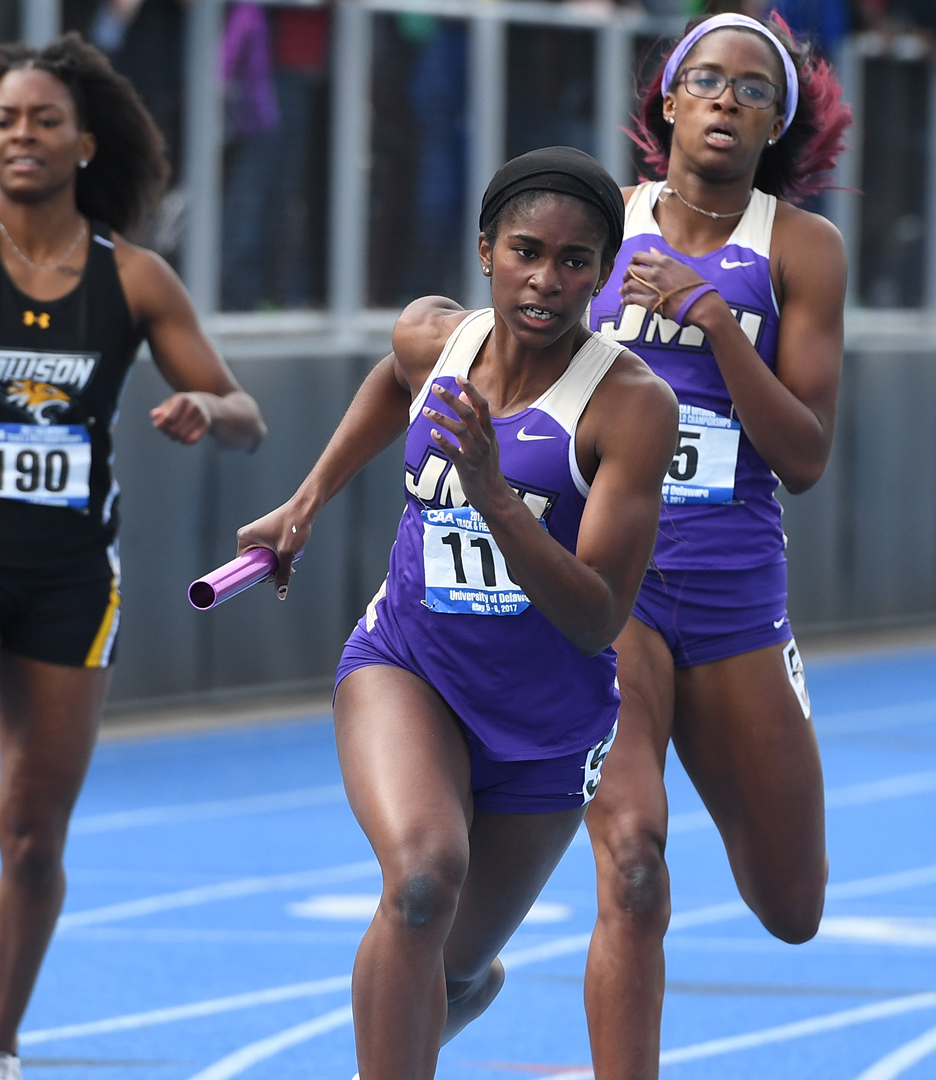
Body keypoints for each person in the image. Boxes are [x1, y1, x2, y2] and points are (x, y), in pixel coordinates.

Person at [233, 146, 675, 1079]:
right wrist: (306, 501)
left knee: (455, 972)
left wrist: (493, 492)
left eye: (575, 262)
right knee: (422, 882)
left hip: (547, 720)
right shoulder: (433, 340)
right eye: (526, 252)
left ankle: (449, 997)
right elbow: (393, 383)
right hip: (410, 665)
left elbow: (597, 618)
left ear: (603, 272)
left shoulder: (631, 407)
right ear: (486, 252)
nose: (546, 281)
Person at [0, 35, 268, 1080]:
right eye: (4, 121)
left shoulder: (134, 278)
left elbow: (246, 414)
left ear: (84, 143)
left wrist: (205, 407)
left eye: (44, 120)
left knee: (32, 831)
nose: (22, 135)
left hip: (73, 577)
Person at [579, 13, 850, 1079]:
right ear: (668, 100)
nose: (726, 100)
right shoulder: (597, 222)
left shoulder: (802, 248)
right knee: (633, 864)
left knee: (793, 906)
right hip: (614, 590)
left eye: (751, 88)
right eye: (706, 80)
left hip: (736, 594)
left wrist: (720, 325)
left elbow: (806, 456)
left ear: (777, 120)